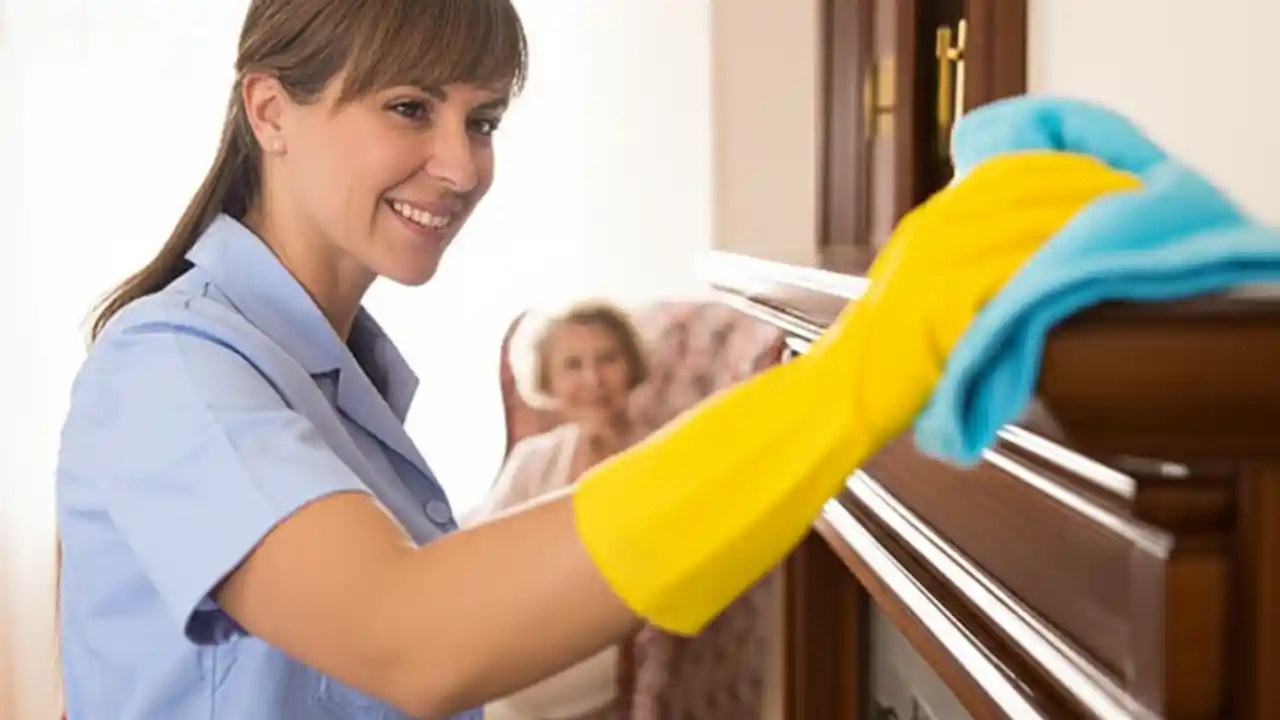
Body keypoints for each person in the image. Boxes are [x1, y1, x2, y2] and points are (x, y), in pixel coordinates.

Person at [54, 0, 1140, 718]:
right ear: (269, 110)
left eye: (482, 121)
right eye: (407, 109)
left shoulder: (328, 373)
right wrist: (851, 381)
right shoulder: (176, 375)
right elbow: (409, 637)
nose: (459, 165)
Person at [467, 300, 650, 720]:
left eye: (608, 359)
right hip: (521, 632)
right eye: (573, 365)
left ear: (632, 366)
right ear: (548, 379)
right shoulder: (534, 458)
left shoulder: (654, 457)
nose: (593, 379)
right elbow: (483, 550)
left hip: (605, 648)